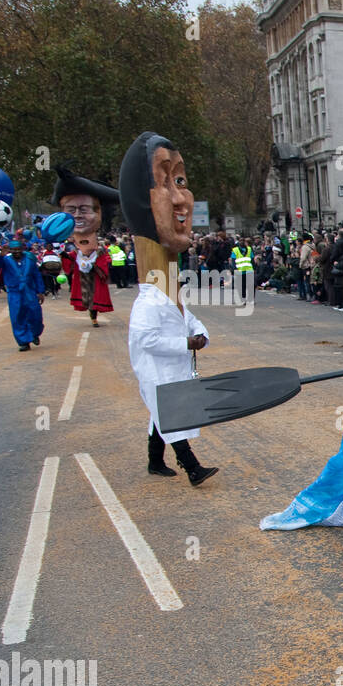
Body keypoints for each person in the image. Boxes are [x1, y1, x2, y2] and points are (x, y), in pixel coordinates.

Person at [118, 130, 217, 486]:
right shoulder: (147, 300)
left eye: (181, 180)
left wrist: (199, 332)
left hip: (174, 367)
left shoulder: (167, 292)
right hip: (157, 368)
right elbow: (145, 341)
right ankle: (192, 468)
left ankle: (153, 462)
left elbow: (185, 316)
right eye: (165, 181)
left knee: (161, 416)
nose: (180, 198)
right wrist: (183, 344)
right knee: (170, 416)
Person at [0, 240, 45, 351]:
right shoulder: (5, 260)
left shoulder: (30, 260)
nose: (16, 252)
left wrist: (40, 291)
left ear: (22, 249)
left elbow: (37, 276)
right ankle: (24, 341)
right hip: (14, 293)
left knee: (36, 315)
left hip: (30, 292)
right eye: (13, 250)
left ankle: (34, 334)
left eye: (18, 249)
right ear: (10, 250)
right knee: (17, 317)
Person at [63, 232, 113, 326]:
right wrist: (61, 253)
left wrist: (95, 266)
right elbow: (69, 258)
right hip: (82, 279)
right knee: (87, 299)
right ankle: (93, 317)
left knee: (94, 299)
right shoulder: (77, 253)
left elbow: (103, 263)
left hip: (95, 278)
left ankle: (94, 318)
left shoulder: (99, 252)